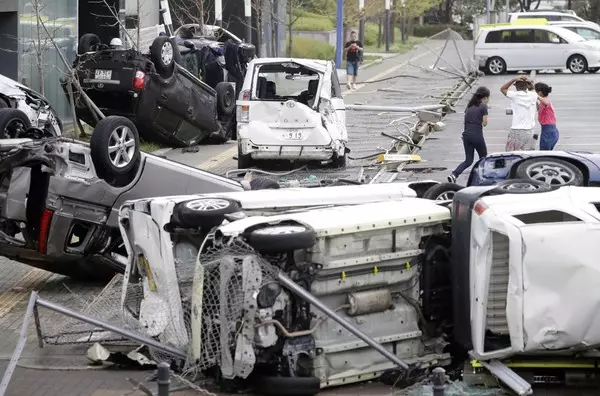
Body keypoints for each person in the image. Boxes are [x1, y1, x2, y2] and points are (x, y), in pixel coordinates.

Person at [447, 86, 490, 183]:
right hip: (476, 135)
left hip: (466, 136)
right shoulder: (483, 106)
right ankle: (482, 178)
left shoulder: (469, 106)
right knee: (484, 158)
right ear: (485, 97)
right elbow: (485, 123)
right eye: (488, 98)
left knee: (468, 160)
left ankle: (454, 174)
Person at [500, 75, 539, 151]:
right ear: (527, 86)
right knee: (528, 155)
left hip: (516, 131)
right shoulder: (533, 95)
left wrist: (513, 79)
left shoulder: (514, 95)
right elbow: (533, 90)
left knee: (510, 155)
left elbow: (503, 89)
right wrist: (530, 83)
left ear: (516, 86)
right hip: (530, 131)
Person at [534, 82, 559, 150]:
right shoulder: (542, 103)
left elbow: (545, 103)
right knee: (547, 152)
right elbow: (539, 110)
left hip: (548, 131)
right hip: (550, 130)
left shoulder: (546, 101)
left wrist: (535, 95)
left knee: (543, 153)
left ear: (539, 93)